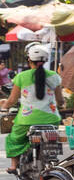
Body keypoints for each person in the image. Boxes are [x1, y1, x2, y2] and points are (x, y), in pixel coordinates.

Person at [3, 43, 64, 172]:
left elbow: (12, 100)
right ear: (46, 60)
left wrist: (4, 106)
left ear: (29, 60)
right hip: (51, 120)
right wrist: (60, 104)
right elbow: (60, 100)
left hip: (26, 120)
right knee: (51, 141)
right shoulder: (54, 76)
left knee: (14, 139)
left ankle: (14, 165)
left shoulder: (21, 76)